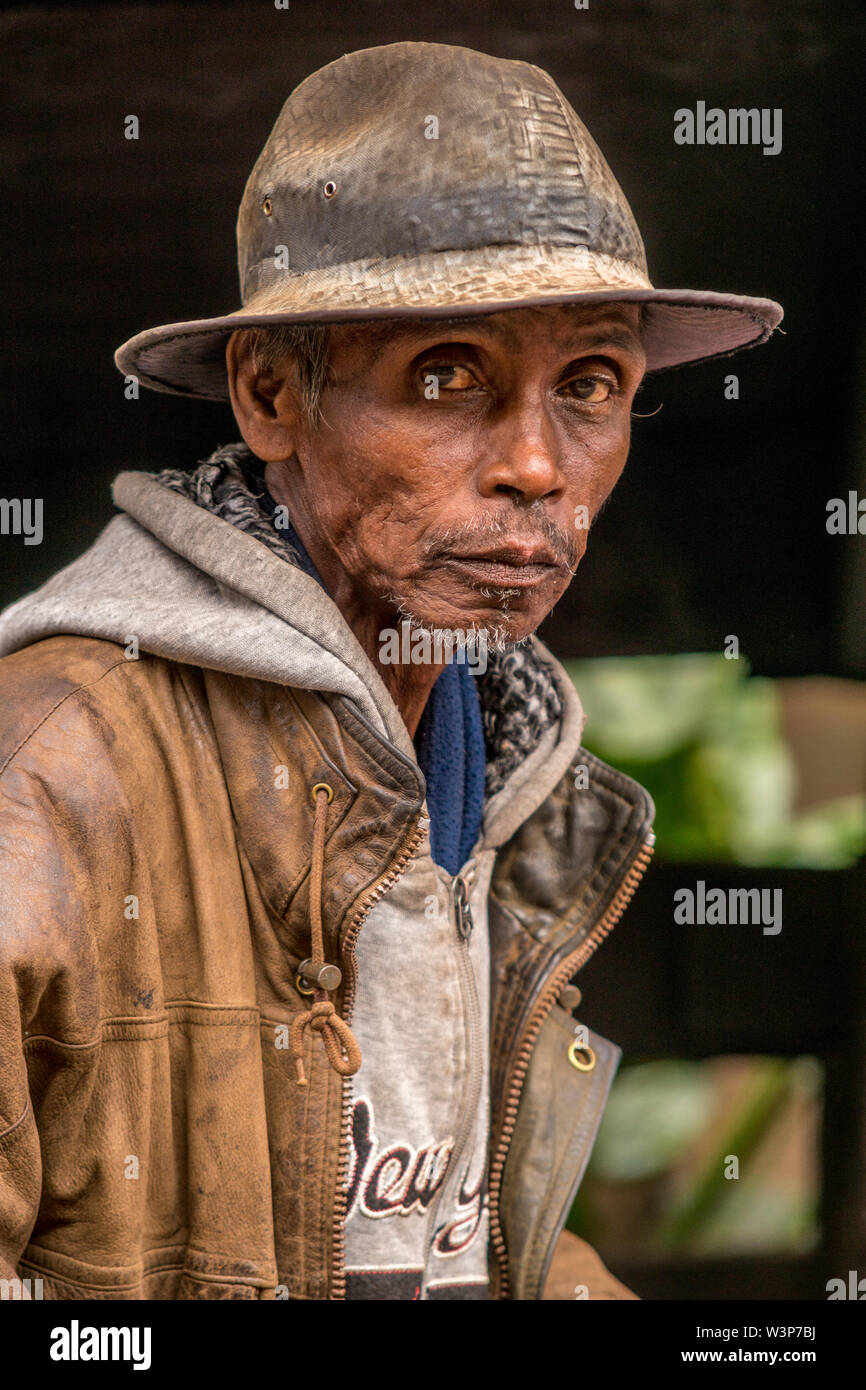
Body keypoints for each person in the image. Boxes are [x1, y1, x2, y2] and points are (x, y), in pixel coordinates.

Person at [0, 41, 782, 1300]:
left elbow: (450, 1233)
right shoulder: (49, 765)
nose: (538, 463)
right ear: (269, 397)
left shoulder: (492, 761)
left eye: (590, 384)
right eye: (448, 374)